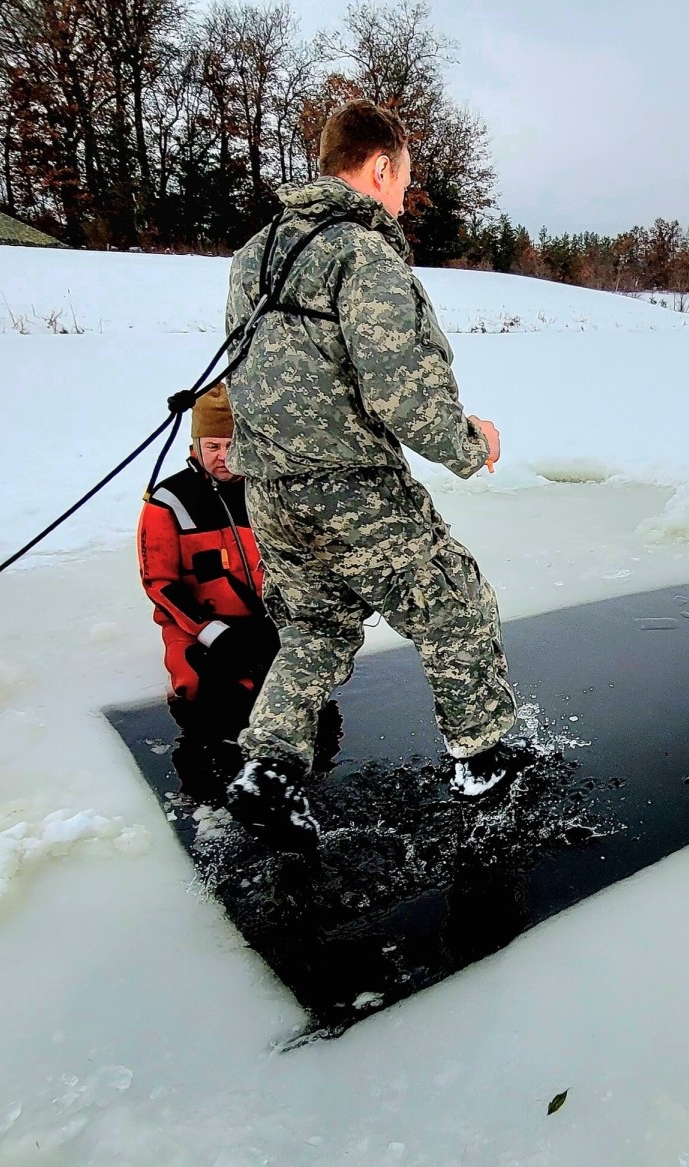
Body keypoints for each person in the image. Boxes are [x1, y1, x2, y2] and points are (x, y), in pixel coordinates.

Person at [223, 98, 519, 851]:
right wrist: (470, 442)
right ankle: (481, 763)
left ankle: (268, 769)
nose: (403, 197)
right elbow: (400, 388)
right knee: (454, 607)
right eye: (404, 179)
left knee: (315, 627)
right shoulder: (362, 252)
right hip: (351, 488)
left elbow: (250, 373)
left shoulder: (256, 251)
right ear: (380, 166)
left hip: (270, 489)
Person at [137, 383, 279, 748]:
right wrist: (211, 632)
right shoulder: (168, 501)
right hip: (197, 625)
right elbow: (159, 583)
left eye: (230, 445)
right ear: (195, 446)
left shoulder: (267, 490)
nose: (222, 456)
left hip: (264, 618)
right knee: (200, 688)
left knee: (291, 683)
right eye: (212, 446)